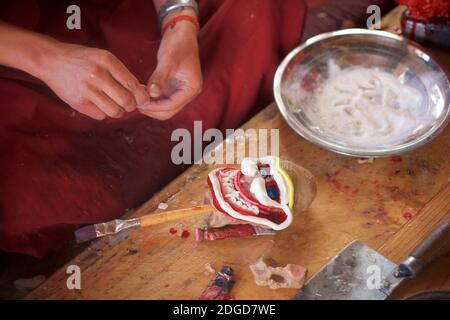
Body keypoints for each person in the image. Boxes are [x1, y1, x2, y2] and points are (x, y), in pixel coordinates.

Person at [0, 0, 307, 257]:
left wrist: (180, 22)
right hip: (17, 58)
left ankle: (192, 137)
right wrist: (45, 58)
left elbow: (179, 14)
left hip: (116, 12)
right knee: (28, 187)